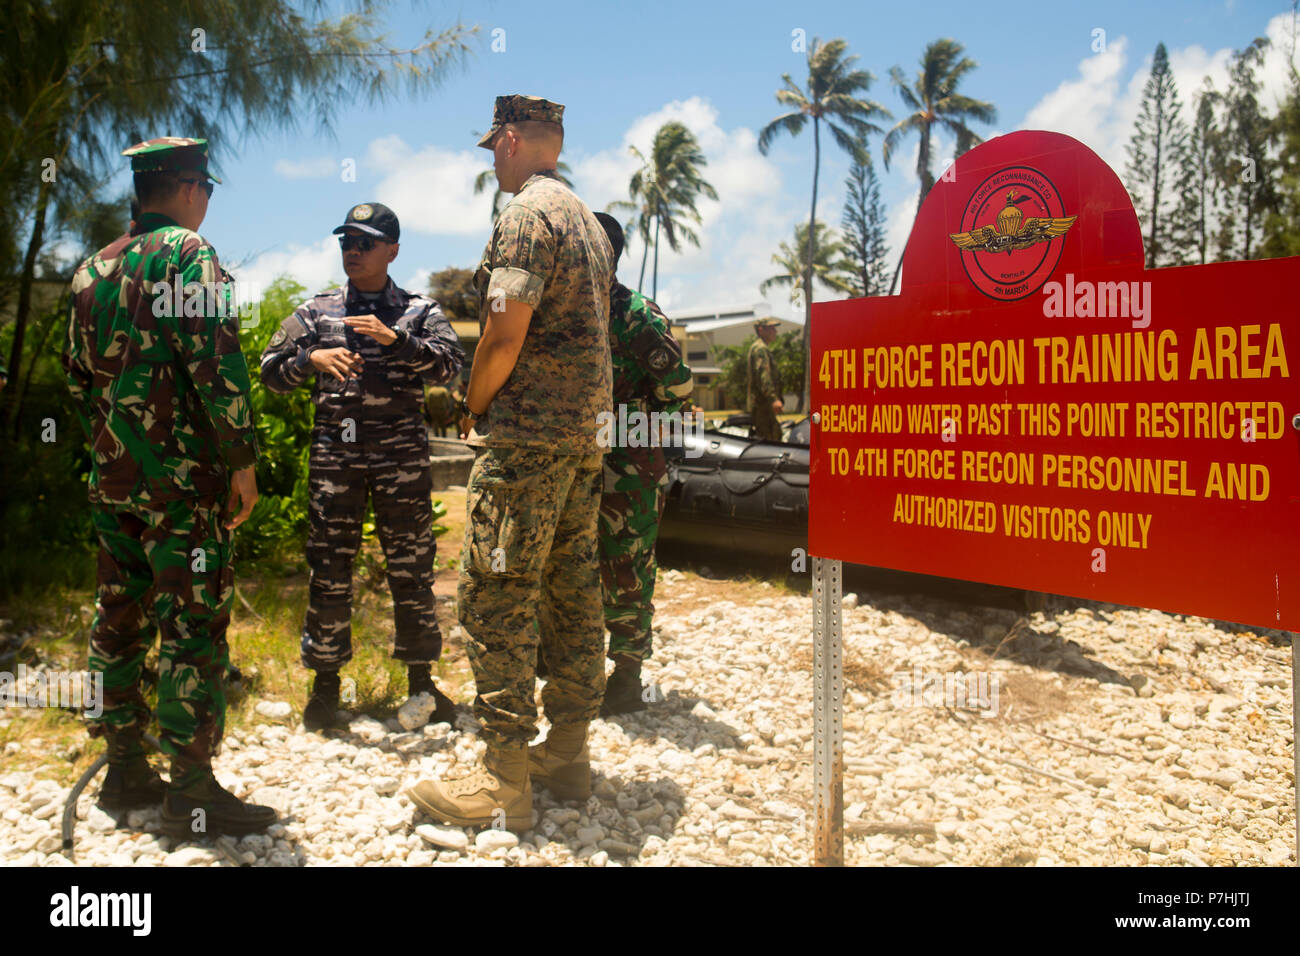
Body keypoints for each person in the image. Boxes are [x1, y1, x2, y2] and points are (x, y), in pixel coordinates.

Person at [409, 94, 613, 828]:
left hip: (527, 443)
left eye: (496, 144)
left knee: (497, 597)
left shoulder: (526, 217)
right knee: (570, 593)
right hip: (582, 444)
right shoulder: (588, 221)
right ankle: (568, 755)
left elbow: (502, 334)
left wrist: (473, 405)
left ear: (520, 139)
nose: (492, 156)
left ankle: (505, 779)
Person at [62, 137, 275, 836]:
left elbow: (76, 378)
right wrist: (241, 458)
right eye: (206, 191)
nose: (206, 204)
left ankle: (124, 771)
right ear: (188, 189)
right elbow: (214, 358)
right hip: (181, 485)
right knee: (191, 627)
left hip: (111, 475)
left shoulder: (89, 271)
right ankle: (190, 793)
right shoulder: (188, 253)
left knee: (116, 615)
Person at [260, 202, 463, 730]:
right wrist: (310, 360)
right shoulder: (317, 312)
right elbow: (269, 371)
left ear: (392, 251)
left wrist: (396, 340)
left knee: (412, 568)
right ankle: (325, 690)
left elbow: (450, 367)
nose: (352, 251)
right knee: (329, 570)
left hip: (401, 460)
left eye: (364, 242)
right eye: (346, 242)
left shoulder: (419, 311)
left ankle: (422, 685)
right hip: (336, 461)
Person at [589, 213, 692, 715]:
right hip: (572, 459)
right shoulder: (564, 307)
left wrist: (633, 416)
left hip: (628, 463)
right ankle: (566, 661)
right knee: (567, 560)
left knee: (627, 564)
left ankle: (628, 674)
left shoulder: (635, 314)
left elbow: (678, 387)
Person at [747, 318, 784, 441]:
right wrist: (773, 399)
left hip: (764, 406)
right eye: (771, 328)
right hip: (763, 406)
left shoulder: (761, 348)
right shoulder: (760, 349)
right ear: (761, 330)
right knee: (769, 440)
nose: (775, 331)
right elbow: (763, 375)